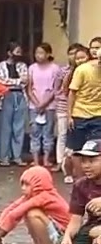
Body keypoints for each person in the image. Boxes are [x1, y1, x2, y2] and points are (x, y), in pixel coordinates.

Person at [0, 166, 69, 244]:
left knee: (33, 214)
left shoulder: (45, 196)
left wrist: (0, 234)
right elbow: (11, 209)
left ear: (38, 185)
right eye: (22, 184)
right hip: (56, 230)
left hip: (65, 236)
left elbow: (15, 214)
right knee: (28, 212)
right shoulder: (32, 196)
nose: (23, 188)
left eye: (27, 185)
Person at [51, 140, 101, 244]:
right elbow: (75, 219)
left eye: (92, 161)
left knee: (98, 234)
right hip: (91, 227)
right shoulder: (81, 185)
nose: (86, 165)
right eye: (83, 161)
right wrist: (67, 237)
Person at [66, 41, 101, 181]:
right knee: (77, 150)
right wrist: (69, 116)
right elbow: (72, 93)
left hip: (98, 116)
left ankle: (94, 180)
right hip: (79, 115)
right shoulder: (82, 70)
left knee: (96, 149)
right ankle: (81, 181)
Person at [26, 42, 63, 169]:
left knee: (48, 133)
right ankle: (35, 160)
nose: (38, 55)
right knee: (34, 132)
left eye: (41, 53)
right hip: (34, 105)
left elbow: (55, 89)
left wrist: (44, 104)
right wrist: (37, 103)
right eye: (36, 53)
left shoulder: (55, 68)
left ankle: (46, 159)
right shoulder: (32, 68)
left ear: (48, 54)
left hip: (50, 106)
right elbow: (29, 88)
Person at [0, 41, 29, 166]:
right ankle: (4, 156)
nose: (19, 54)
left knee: (18, 127)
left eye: (20, 52)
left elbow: (26, 81)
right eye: (17, 51)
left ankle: (17, 156)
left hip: (20, 95)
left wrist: (16, 81)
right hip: (6, 95)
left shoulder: (23, 65)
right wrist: (18, 81)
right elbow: (2, 80)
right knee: (5, 127)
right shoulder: (0, 65)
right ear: (9, 53)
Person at [57, 44, 86, 182]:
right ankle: (68, 171)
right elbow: (65, 91)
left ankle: (82, 175)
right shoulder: (70, 73)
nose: (79, 60)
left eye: (82, 57)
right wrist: (69, 114)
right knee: (71, 148)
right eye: (77, 57)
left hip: (88, 113)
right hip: (74, 112)